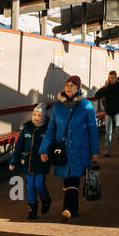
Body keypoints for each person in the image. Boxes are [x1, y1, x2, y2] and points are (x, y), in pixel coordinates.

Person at [38, 75, 99, 219]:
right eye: (67, 85)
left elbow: (92, 129)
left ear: (78, 88)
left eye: (72, 85)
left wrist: (95, 151)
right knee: (67, 179)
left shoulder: (86, 105)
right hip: (63, 150)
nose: (69, 87)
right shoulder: (58, 106)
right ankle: (73, 209)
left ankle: (68, 208)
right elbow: (51, 129)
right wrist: (43, 149)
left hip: (80, 149)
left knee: (73, 178)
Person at [9, 103, 52, 219]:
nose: (36, 117)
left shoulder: (47, 129)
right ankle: (32, 209)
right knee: (30, 187)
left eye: (39, 115)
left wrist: (48, 155)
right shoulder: (27, 127)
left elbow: (51, 145)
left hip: (40, 163)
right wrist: (13, 161)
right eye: (34, 114)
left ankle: (45, 199)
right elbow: (18, 147)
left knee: (38, 184)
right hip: (27, 162)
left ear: (43, 116)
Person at [98, 71, 119, 156]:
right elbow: (97, 95)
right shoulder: (107, 88)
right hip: (109, 113)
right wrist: (105, 87)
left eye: (112, 78)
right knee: (108, 132)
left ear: (116, 78)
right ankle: (107, 150)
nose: (111, 79)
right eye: (109, 78)